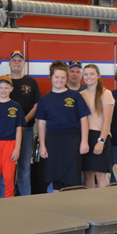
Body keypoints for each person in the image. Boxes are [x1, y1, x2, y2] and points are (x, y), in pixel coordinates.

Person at [37, 61, 90, 192]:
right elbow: (42, 124)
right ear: (51, 78)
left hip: (73, 140)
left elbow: (84, 119)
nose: (59, 80)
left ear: (66, 79)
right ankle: (57, 207)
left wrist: (84, 142)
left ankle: (73, 208)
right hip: (53, 141)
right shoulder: (44, 99)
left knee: (73, 177)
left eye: (62, 77)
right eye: (56, 77)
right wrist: (42, 145)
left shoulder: (75, 96)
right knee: (56, 178)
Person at [7, 50, 40, 196]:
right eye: (14, 60)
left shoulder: (31, 82)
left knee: (24, 166)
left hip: (26, 130)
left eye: (19, 60)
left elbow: (36, 106)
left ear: (23, 64)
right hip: (5, 132)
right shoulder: (3, 81)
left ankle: (26, 198)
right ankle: (6, 196)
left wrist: (22, 122)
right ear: (9, 63)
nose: (16, 63)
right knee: (6, 166)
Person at [80, 64, 114, 189]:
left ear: (98, 76)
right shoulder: (81, 94)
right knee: (88, 174)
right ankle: (91, 203)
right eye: (86, 74)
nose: (89, 77)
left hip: (100, 136)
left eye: (92, 74)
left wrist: (101, 141)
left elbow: (107, 120)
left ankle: (104, 203)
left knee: (100, 175)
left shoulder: (106, 94)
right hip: (85, 136)